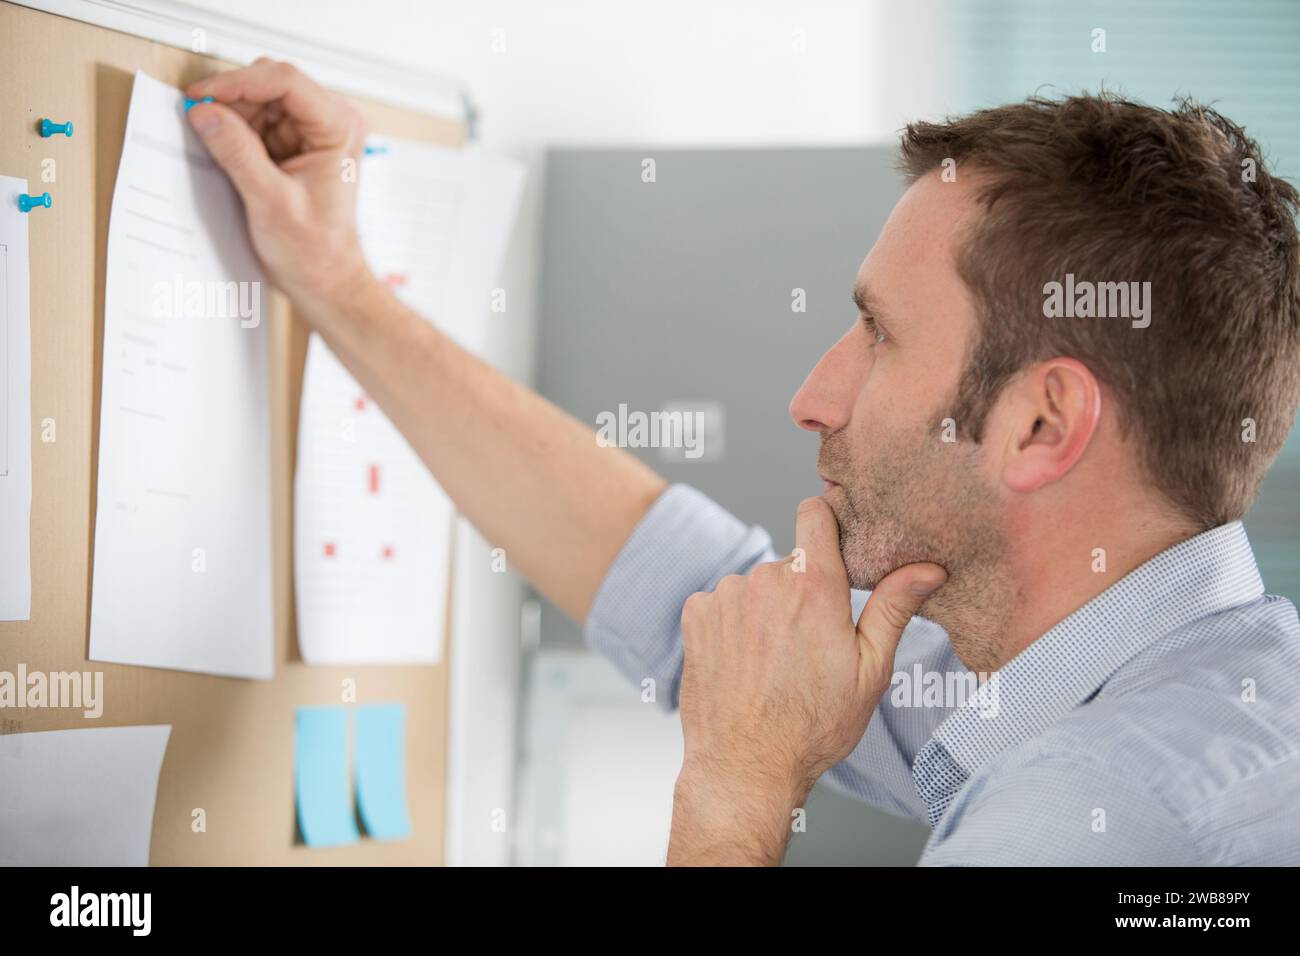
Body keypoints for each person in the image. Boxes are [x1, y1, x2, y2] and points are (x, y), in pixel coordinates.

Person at [185, 60, 1300, 865]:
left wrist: (737, 791)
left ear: (1042, 427)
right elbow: (679, 587)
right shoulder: (1154, 673)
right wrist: (336, 283)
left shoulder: (1102, 814)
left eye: (879, 336)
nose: (811, 397)